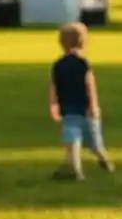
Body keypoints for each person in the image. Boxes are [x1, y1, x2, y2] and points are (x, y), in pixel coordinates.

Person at [48, 22, 113, 180]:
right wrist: (94, 105)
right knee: (94, 141)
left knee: (72, 138)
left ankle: (75, 167)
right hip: (85, 108)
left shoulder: (58, 65)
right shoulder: (83, 63)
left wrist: (53, 105)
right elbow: (90, 85)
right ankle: (101, 159)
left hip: (68, 108)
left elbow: (54, 87)